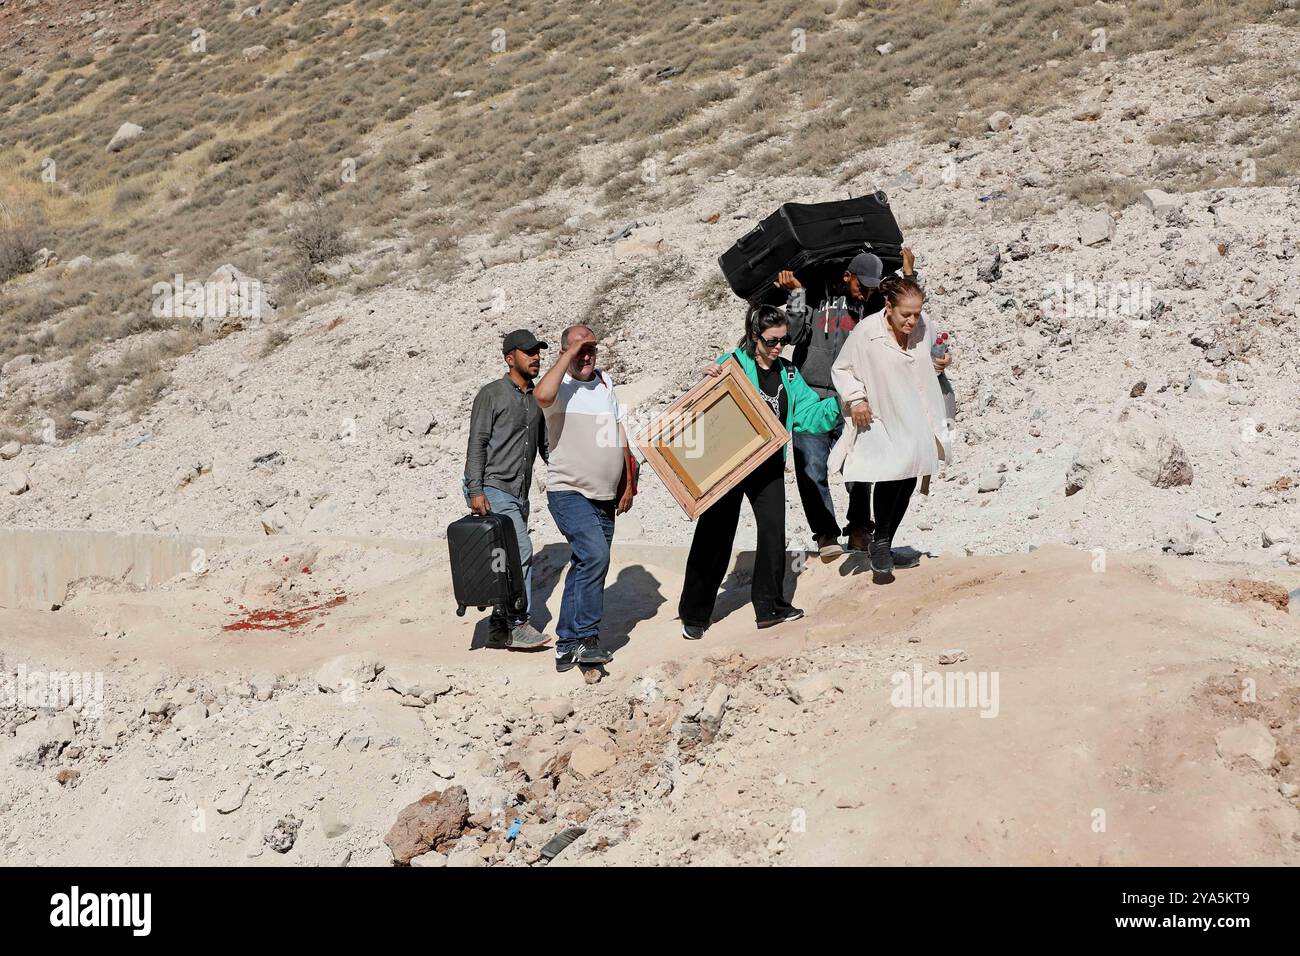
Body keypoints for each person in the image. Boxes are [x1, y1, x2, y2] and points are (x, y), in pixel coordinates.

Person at [677, 304, 841, 639]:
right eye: (771, 341)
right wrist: (706, 382)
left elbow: (808, 415)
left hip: (768, 466)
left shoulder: (789, 373)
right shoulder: (733, 364)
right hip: (729, 464)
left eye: (783, 340)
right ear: (754, 337)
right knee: (715, 534)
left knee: (772, 532)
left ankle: (770, 607)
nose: (779, 347)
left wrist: (842, 404)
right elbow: (706, 410)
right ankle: (694, 613)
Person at [777, 247, 920, 557]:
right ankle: (825, 535)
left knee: (860, 468)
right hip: (809, 397)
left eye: (872, 286)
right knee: (810, 469)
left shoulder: (874, 310)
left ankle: (859, 530)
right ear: (847, 276)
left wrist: (909, 274)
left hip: (853, 399)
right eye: (861, 284)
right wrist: (797, 294)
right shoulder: (815, 296)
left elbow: (910, 313)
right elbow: (794, 335)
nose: (866, 291)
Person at [829, 276, 954, 583]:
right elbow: (842, 368)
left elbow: (930, 356)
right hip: (882, 411)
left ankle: (885, 539)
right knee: (890, 470)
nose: (913, 320)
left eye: (917, 313)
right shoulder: (867, 332)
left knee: (910, 473)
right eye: (906, 314)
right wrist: (856, 398)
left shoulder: (924, 325)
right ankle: (881, 542)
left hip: (916, 410)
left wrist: (940, 363)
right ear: (889, 307)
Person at [533, 324, 635, 674]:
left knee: (584, 564)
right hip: (569, 491)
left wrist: (628, 482)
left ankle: (566, 644)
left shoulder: (606, 384)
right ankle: (589, 640)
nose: (586, 355)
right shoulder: (560, 387)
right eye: (579, 349)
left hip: (607, 495)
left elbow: (619, 432)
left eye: (591, 348)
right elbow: (541, 396)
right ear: (565, 352)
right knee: (595, 555)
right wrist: (569, 354)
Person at [463, 329, 552, 650]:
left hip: (519, 491)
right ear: (509, 358)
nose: (536, 357)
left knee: (502, 559)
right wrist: (475, 489)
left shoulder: (538, 398)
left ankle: (498, 628)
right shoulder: (492, 394)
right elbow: (477, 443)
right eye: (528, 352)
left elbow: (545, 448)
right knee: (522, 552)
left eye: (538, 352)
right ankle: (518, 623)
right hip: (492, 486)